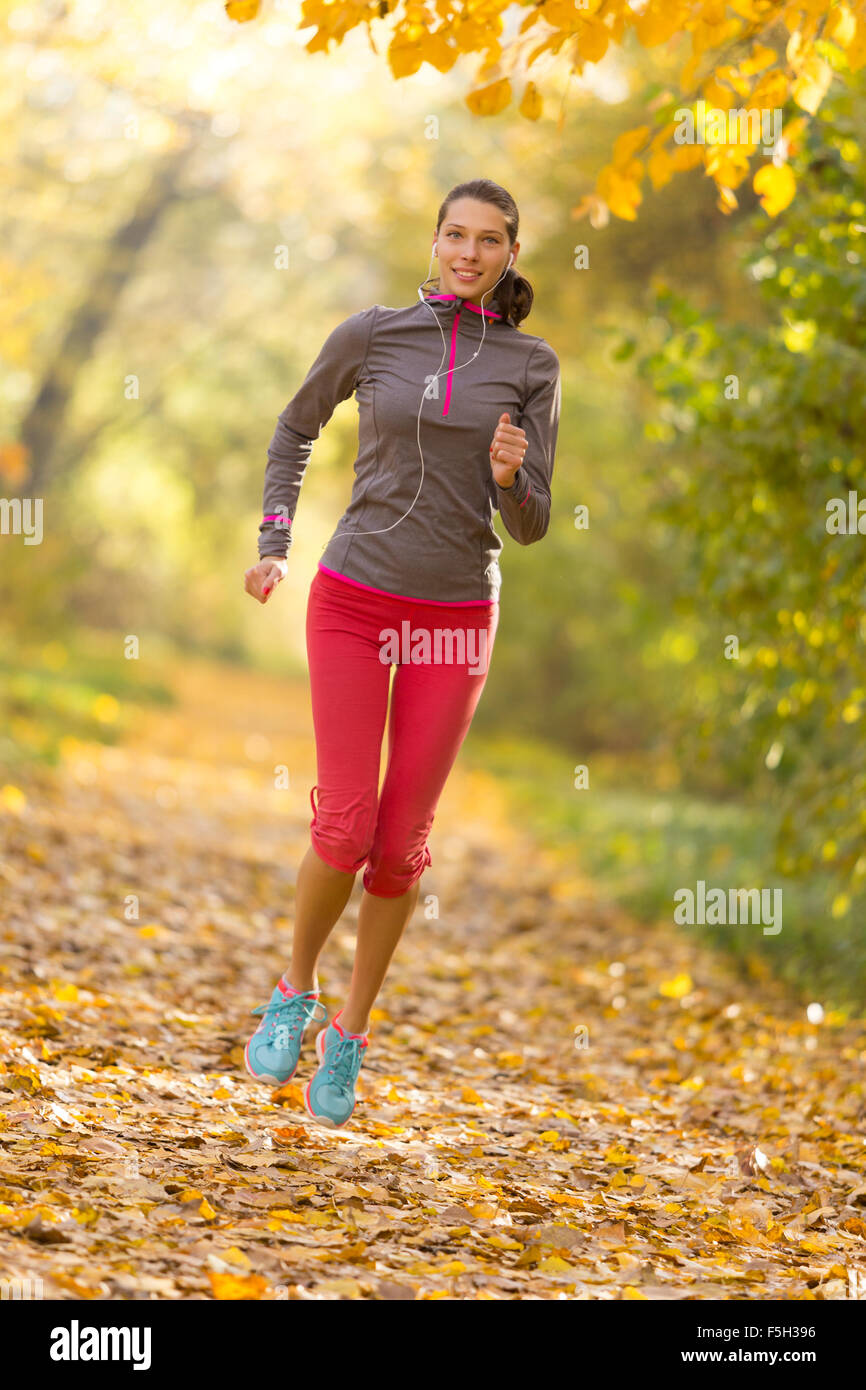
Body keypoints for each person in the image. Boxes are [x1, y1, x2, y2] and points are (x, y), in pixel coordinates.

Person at [242, 177, 561, 1128]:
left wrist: (511, 477)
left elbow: (534, 523)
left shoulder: (534, 364)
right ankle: (294, 989)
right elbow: (295, 428)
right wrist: (273, 541)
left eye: (489, 239)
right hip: (352, 596)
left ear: (511, 254)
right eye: (455, 235)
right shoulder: (372, 333)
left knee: (398, 848)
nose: (469, 252)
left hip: (456, 615)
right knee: (343, 825)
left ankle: (350, 1033)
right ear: (434, 242)